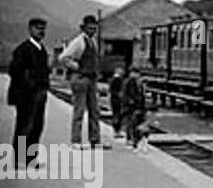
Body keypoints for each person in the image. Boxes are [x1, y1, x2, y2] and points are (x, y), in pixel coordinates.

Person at [7, 17, 50, 161]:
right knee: (25, 126)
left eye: (43, 29)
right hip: (26, 95)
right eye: (38, 28)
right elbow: (15, 71)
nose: (41, 31)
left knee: (37, 126)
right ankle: (19, 158)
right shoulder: (23, 50)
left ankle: (31, 158)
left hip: (40, 93)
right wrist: (28, 86)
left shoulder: (42, 50)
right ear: (30, 29)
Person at [58, 15, 101, 148]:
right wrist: (76, 67)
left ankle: (95, 140)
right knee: (79, 110)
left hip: (92, 79)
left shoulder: (94, 42)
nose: (92, 31)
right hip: (80, 79)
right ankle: (75, 140)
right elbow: (63, 57)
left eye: (94, 28)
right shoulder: (78, 42)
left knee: (95, 111)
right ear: (84, 28)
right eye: (90, 28)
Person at [122, 66, 149, 150]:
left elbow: (142, 95)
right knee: (131, 123)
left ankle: (135, 140)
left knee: (136, 123)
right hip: (131, 106)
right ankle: (130, 139)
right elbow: (125, 94)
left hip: (138, 106)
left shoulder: (139, 83)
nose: (136, 75)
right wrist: (129, 102)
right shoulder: (128, 82)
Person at [108, 67, 126, 141]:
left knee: (116, 114)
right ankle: (117, 131)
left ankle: (117, 131)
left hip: (114, 99)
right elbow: (116, 90)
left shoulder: (113, 79)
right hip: (117, 100)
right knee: (117, 114)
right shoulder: (117, 79)